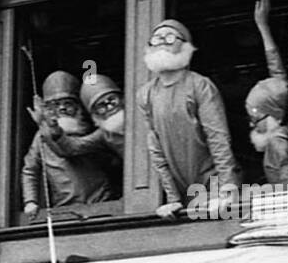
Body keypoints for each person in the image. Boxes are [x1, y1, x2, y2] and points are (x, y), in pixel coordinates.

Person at [137, 18, 240, 219]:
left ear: (184, 46)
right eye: (156, 39)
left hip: (215, 187)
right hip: (184, 194)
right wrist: (173, 198)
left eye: (169, 37)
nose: (162, 43)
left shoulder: (200, 85)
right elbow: (156, 150)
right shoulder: (145, 94)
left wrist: (227, 191)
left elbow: (218, 139)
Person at [21, 71, 115, 220]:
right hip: (64, 208)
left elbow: (71, 148)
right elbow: (30, 170)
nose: (62, 109)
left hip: (101, 205)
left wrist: (48, 126)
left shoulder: (93, 131)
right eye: (55, 105)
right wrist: (30, 201)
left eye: (68, 103)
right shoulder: (41, 138)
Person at [245, 0, 288, 186]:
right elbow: (277, 76)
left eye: (257, 117)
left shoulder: (278, 142)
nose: (252, 124)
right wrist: (263, 26)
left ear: (276, 116)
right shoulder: (282, 108)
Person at [34, 70, 125, 166]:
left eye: (112, 100)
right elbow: (71, 148)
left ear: (122, 98)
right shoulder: (104, 135)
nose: (110, 107)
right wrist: (53, 127)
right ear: (95, 116)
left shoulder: (138, 113)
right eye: (101, 107)